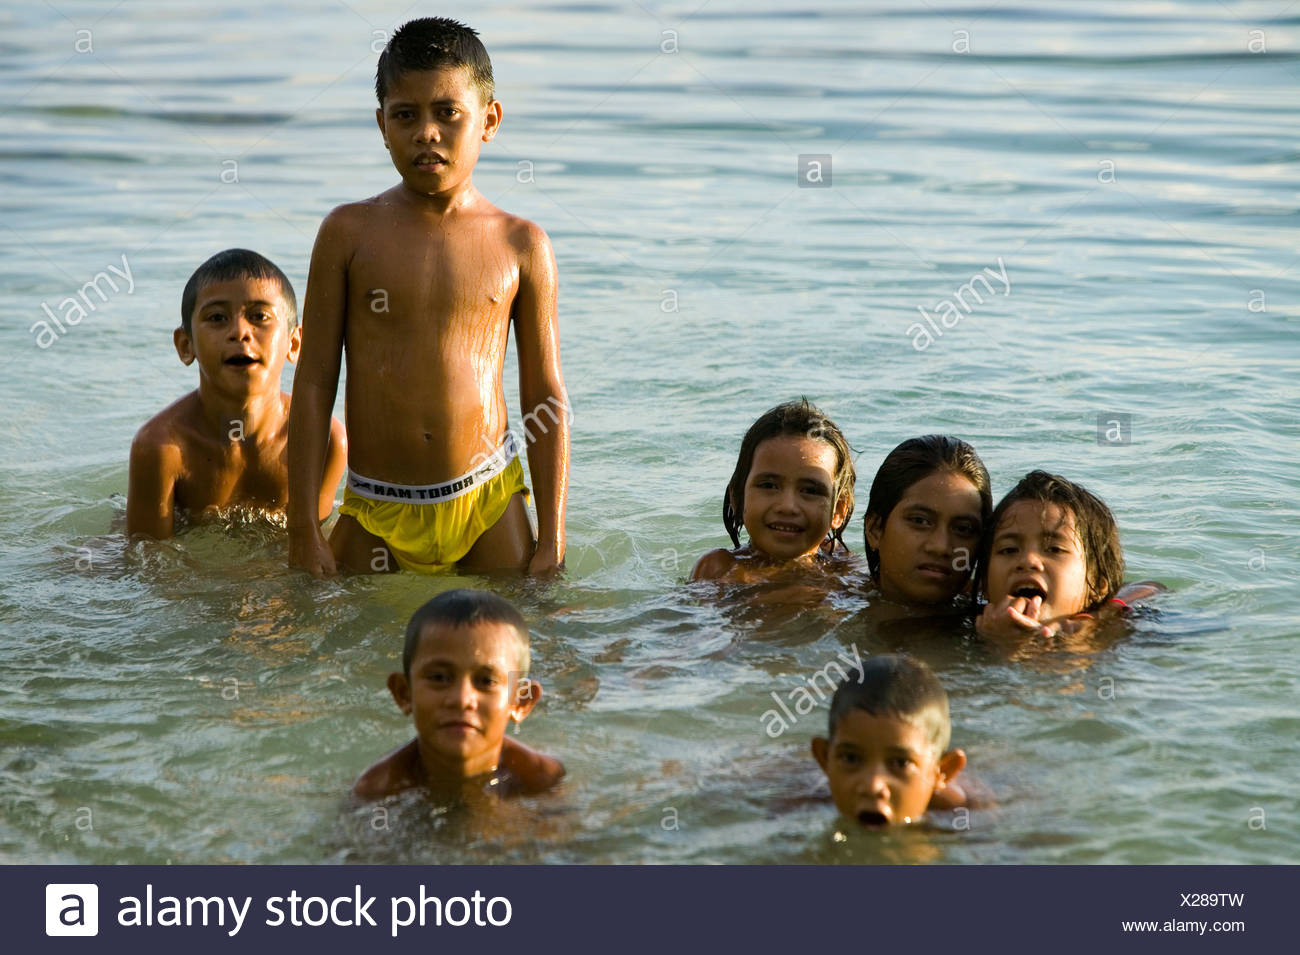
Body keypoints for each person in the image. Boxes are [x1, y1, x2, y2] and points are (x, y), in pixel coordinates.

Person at [288, 17, 568, 577]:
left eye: (448, 113)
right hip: (376, 506)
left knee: (523, 644)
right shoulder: (347, 233)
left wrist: (552, 537)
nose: (427, 133)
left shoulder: (521, 243)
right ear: (381, 125)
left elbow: (544, 392)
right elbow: (315, 382)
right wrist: (302, 531)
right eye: (405, 115)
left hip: (489, 499)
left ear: (489, 120)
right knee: (337, 655)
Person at [126, 249, 346, 539]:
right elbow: (151, 564)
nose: (240, 332)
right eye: (217, 318)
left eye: (259, 316)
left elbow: (310, 546)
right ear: (185, 345)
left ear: (294, 344)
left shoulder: (324, 440)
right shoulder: (162, 448)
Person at [352, 588, 564, 800]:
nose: (462, 699)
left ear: (520, 701)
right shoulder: (378, 792)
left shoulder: (542, 782)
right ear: (404, 693)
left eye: (486, 681)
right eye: (439, 678)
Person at [690, 399, 856, 583]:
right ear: (738, 497)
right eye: (769, 485)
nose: (787, 506)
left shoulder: (844, 568)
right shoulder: (722, 570)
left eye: (810, 490)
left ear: (839, 510)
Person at [811, 654, 967, 828]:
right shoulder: (801, 801)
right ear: (825, 759)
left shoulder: (963, 817)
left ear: (942, 772)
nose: (872, 786)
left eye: (900, 763)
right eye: (851, 758)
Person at [975, 470, 1127, 639]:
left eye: (1055, 549)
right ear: (984, 584)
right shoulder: (951, 631)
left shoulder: (1119, 637)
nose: (1028, 560)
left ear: (1097, 585)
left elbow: (1147, 589)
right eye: (1009, 549)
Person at [861, 435, 992, 609]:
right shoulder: (824, 607)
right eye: (920, 521)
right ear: (875, 529)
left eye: (963, 529)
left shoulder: (1005, 621)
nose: (941, 547)